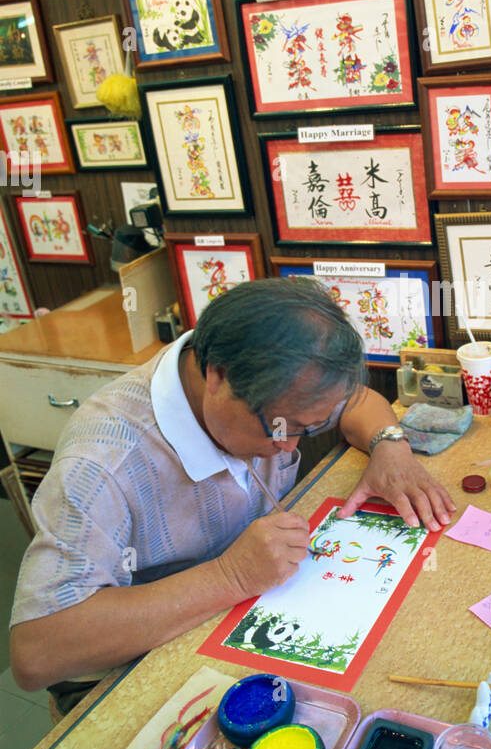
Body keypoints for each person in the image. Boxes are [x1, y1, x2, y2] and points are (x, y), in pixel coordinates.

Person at [10, 278, 454, 706]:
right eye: (281, 427)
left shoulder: (266, 372)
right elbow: (36, 652)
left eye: (308, 428)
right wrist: (230, 577)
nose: (288, 445)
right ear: (217, 377)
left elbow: (355, 401)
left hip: (247, 618)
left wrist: (389, 445)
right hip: (135, 668)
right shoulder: (103, 461)